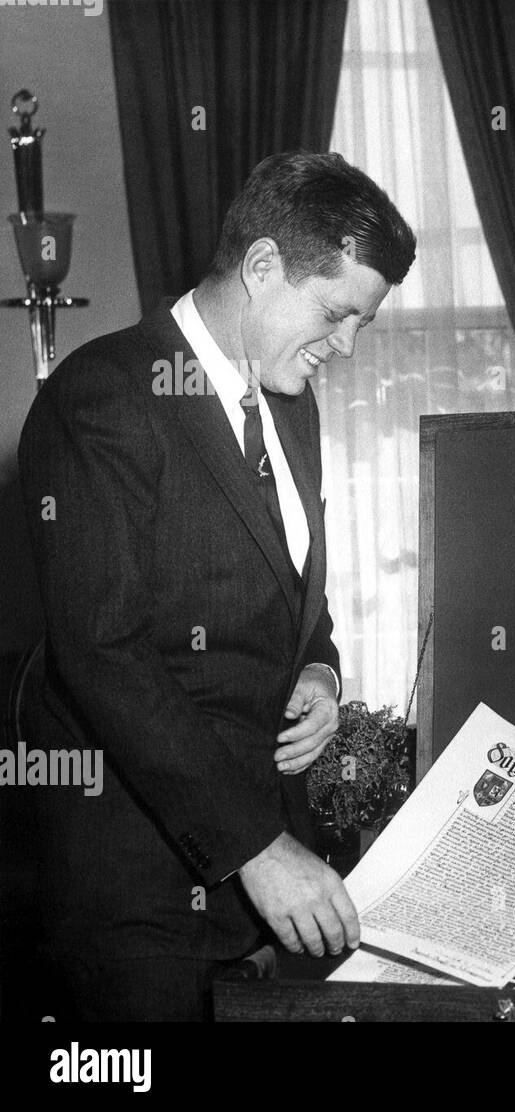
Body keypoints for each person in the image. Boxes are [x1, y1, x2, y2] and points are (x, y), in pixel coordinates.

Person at [17, 151, 416, 1020]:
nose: (344, 348)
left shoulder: (289, 402)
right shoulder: (105, 396)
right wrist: (256, 850)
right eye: (337, 314)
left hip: (257, 895)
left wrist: (320, 669)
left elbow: (292, 594)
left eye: (362, 325)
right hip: (141, 902)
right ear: (263, 266)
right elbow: (102, 653)